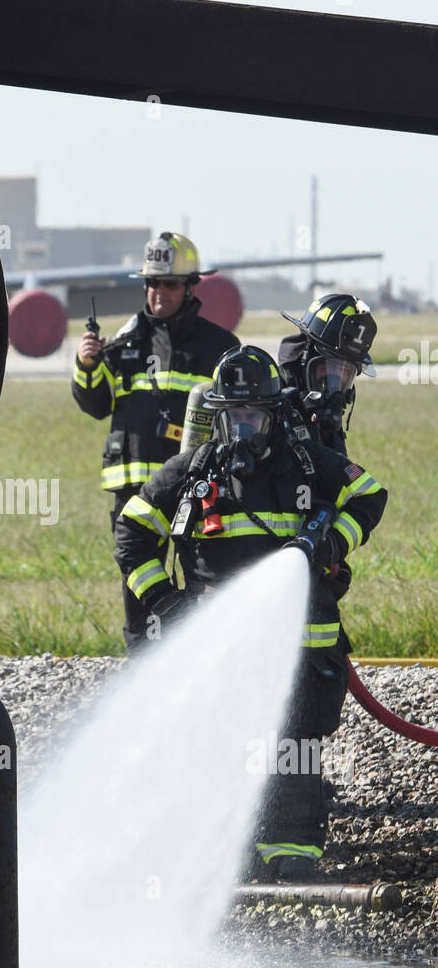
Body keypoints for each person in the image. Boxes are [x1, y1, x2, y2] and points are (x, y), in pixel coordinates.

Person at [113, 345, 387, 882]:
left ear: (273, 414)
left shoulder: (309, 465)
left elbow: (370, 495)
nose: (244, 429)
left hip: (304, 643)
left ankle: (293, 859)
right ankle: (228, 852)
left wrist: (330, 547)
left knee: (296, 744)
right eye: (234, 417)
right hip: (223, 648)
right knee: (222, 741)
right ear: (217, 417)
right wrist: (167, 603)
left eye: (254, 416)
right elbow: (132, 531)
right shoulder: (190, 473)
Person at [72, 231, 239, 653]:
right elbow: (94, 404)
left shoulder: (219, 347)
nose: (158, 292)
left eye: (168, 284)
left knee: (201, 580)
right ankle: (144, 669)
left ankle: (199, 663)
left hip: (197, 489)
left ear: (191, 286)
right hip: (134, 492)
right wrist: (87, 363)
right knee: (140, 585)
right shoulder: (124, 345)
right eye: (151, 283)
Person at [277, 293, 377, 453]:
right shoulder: (269, 410)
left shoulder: (326, 418)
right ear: (305, 356)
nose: (337, 377)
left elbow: (344, 476)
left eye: (347, 371)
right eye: (331, 365)